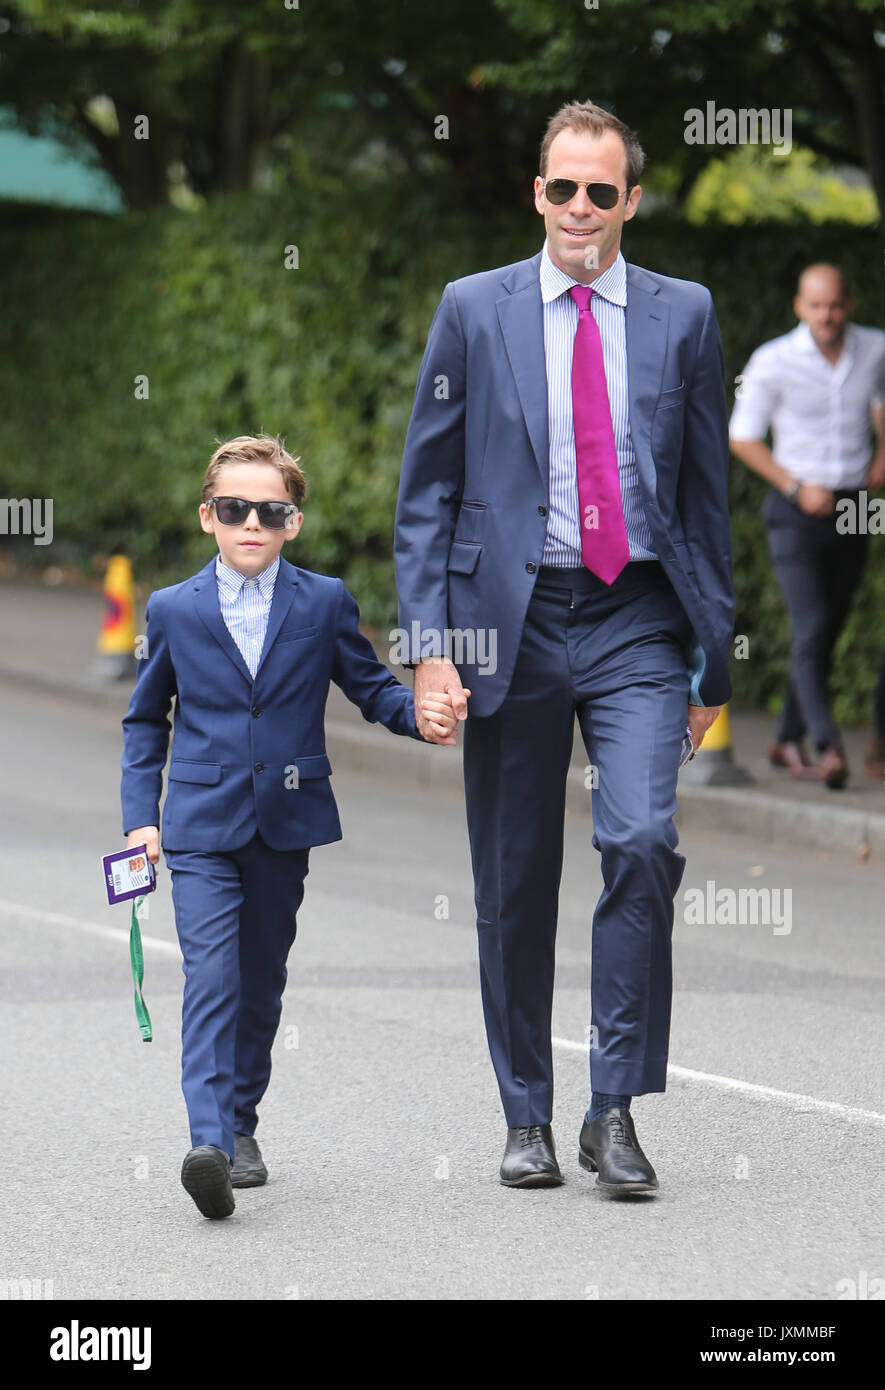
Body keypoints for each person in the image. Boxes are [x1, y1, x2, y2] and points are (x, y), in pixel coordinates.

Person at [394, 101, 732, 1192]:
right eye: (560, 188)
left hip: (638, 616)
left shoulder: (685, 316)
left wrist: (710, 662)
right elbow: (427, 497)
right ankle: (527, 1115)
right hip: (511, 621)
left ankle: (615, 1110)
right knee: (515, 875)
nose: (578, 209)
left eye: (601, 191)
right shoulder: (472, 311)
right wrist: (433, 647)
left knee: (639, 842)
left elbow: (706, 503)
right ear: (535, 192)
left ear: (630, 199)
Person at [121, 433, 460, 1218]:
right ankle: (206, 1142)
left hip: (286, 821)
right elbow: (146, 724)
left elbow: (373, 690)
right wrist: (141, 823)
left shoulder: (323, 601)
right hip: (200, 825)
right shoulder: (173, 608)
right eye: (234, 509)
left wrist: (424, 715)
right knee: (211, 976)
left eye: (269, 512)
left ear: (292, 523)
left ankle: (240, 1126)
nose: (251, 524)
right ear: (208, 516)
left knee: (261, 981)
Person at [730, 265, 885, 788]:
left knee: (828, 630)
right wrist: (795, 486)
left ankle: (780, 738)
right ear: (800, 307)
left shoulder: (875, 349)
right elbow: (743, 436)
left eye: (836, 305)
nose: (827, 316)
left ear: (850, 305)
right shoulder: (773, 361)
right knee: (813, 624)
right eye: (817, 306)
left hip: (855, 506)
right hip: (795, 510)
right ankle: (827, 745)